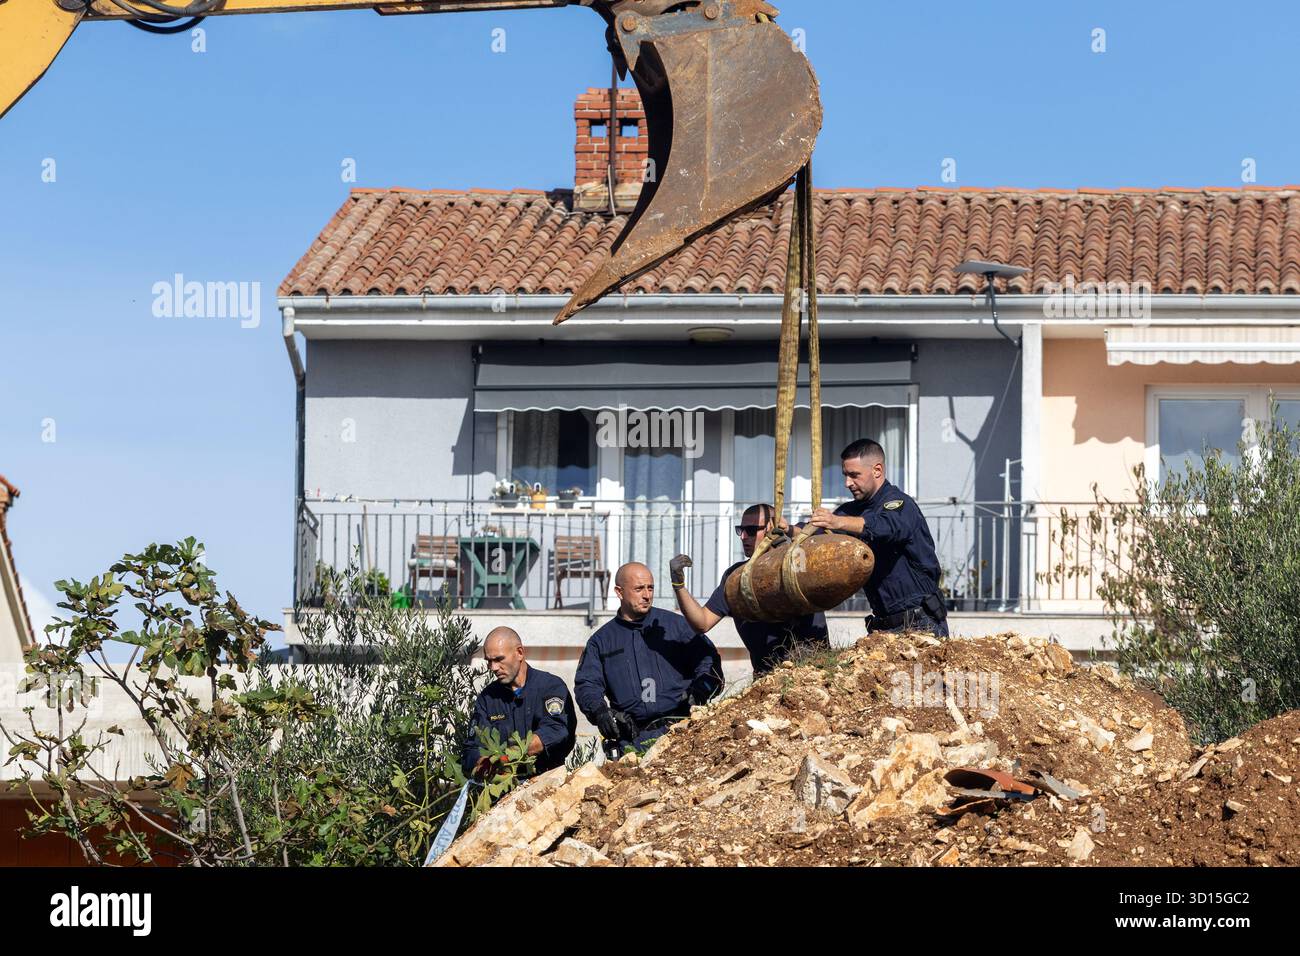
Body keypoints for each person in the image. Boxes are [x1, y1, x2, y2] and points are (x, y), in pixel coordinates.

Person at [803, 438, 949, 637]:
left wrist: (836, 522)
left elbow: (885, 527)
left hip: (920, 624)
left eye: (854, 475)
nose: (847, 483)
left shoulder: (900, 504)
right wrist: (789, 531)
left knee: (921, 671)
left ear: (877, 470)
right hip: (882, 626)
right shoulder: (852, 510)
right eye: (845, 475)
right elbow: (819, 535)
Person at [574, 562, 723, 754]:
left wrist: (701, 690)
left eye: (650, 588)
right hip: (632, 743)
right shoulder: (601, 641)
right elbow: (587, 684)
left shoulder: (676, 626)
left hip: (683, 734)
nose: (647, 595)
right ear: (619, 592)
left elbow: (708, 659)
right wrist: (600, 712)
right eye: (639, 589)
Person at [668, 502, 829, 676]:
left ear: (771, 530)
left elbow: (822, 546)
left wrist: (788, 538)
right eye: (741, 530)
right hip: (766, 680)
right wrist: (679, 586)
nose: (744, 536)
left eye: (751, 530)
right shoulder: (736, 577)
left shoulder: (797, 563)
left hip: (814, 674)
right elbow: (702, 622)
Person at [461, 626, 577, 779]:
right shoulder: (488, 698)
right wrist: (483, 762)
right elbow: (472, 748)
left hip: (547, 782)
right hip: (503, 788)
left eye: (499, 659)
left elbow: (556, 730)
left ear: (519, 653)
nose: (493, 668)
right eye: (489, 661)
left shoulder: (550, 687)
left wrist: (508, 756)